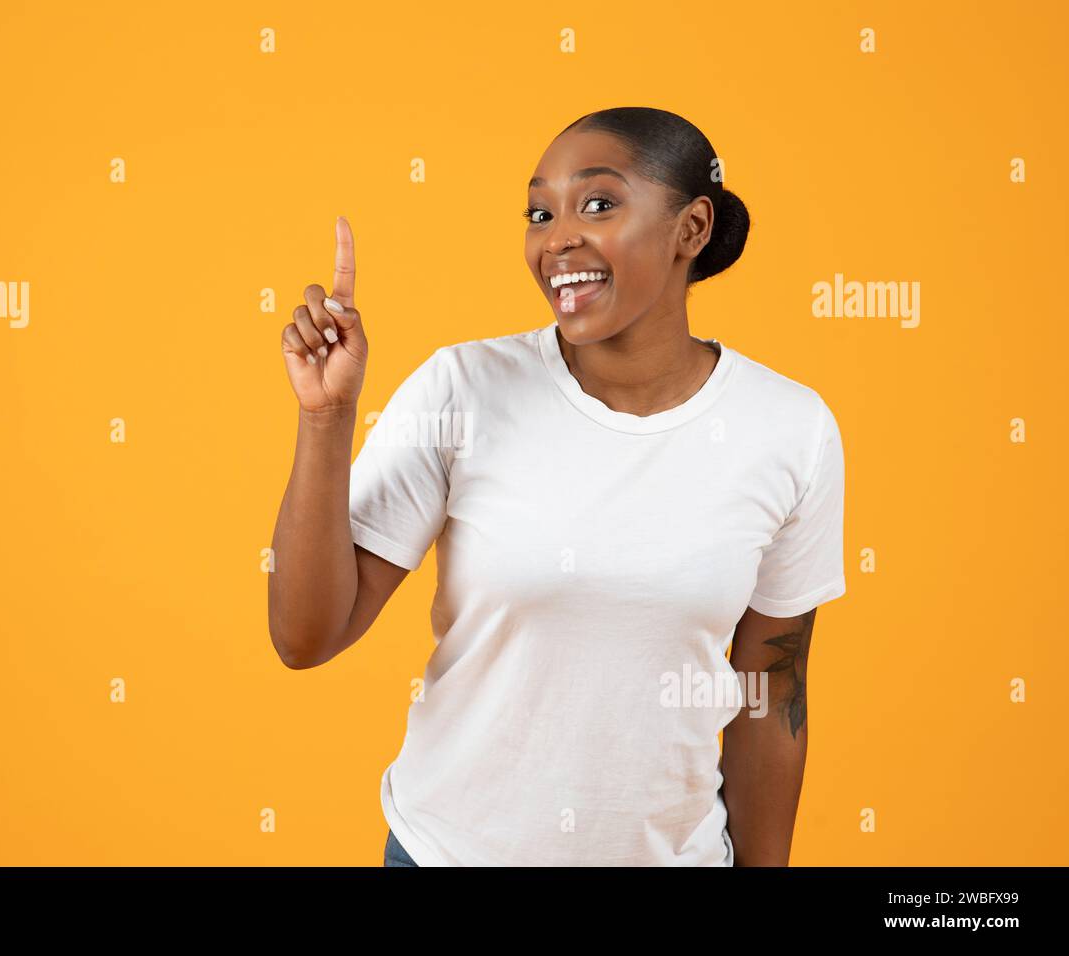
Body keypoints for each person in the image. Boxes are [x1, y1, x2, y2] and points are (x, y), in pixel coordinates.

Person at [268, 107, 847, 867]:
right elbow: (306, 636)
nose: (557, 238)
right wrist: (327, 417)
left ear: (692, 228)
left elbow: (771, 697)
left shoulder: (788, 427)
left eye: (598, 204)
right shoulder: (464, 388)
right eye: (540, 213)